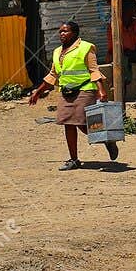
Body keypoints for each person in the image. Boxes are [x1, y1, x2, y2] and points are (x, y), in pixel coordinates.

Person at [28, 21, 117, 170]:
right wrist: (38, 91)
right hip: (66, 92)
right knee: (68, 123)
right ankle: (74, 159)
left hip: (85, 89)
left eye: (65, 31)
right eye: (60, 31)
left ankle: (106, 139)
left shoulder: (86, 48)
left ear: (74, 33)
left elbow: (94, 70)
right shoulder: (57, 52)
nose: (62, 34)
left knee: (82, 123)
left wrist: (101, 91)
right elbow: (53, 74)